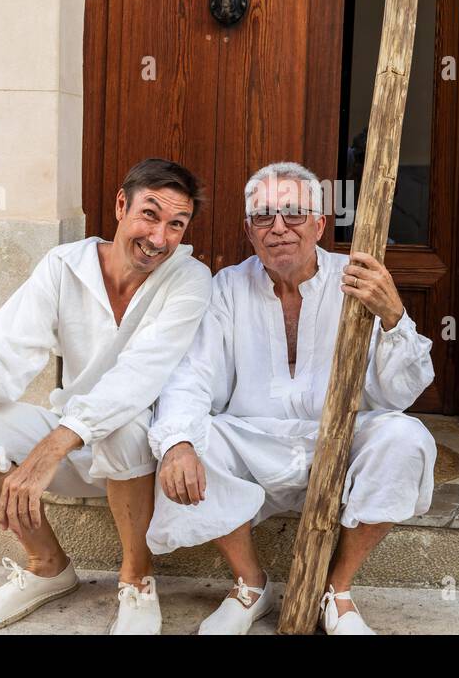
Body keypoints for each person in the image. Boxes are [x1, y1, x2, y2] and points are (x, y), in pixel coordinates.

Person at [0, 158, 210, 634]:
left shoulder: (189, 279)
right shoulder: (64, 266)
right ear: (119, 205)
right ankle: (47, 564)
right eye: (150, 215)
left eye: (177, 224)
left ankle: (136, 577)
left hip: (143, 460)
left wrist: (51, 448)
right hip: (76, 447)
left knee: (125, 423)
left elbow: (140, 377)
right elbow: (7, 348)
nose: (159, 238)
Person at [146, 161, 436, 635]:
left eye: (294, 214)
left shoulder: (357, 280)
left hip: (341, 444)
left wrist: (392, 314)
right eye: (264, 217)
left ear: (320, 224)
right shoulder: (227, 288)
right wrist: (178, 443)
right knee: (185, 441)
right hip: (254, 442)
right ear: (249, 230)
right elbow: (191, 376)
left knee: (405, 437)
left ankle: (335, 591)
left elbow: (403, 390)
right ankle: (250, 584)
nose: (279, 228)